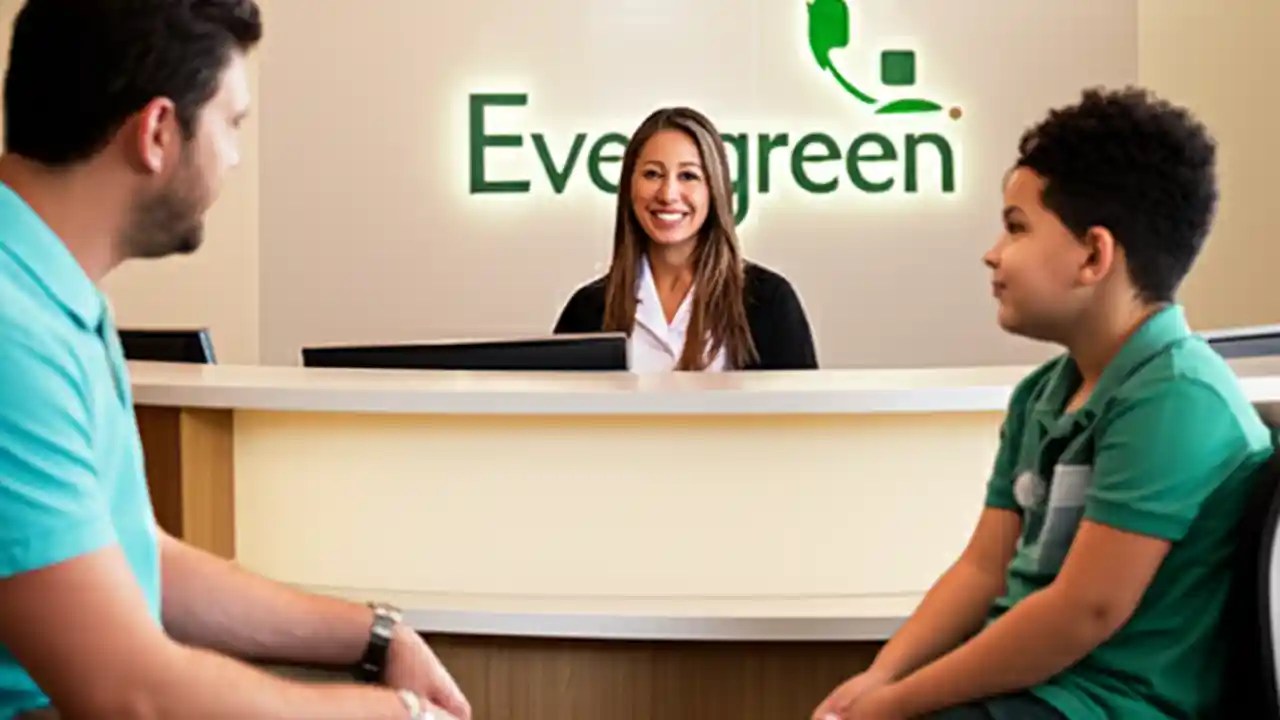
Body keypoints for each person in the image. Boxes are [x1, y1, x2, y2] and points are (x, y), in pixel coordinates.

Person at [0, 2, 469, 718]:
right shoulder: (15, 338)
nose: (236, 157)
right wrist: (404, 715)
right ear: (158, 133)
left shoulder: (51, 295)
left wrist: (374, 636)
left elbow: (138, 559)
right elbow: (129, 693)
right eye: (232, 123)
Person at [812, 87, 1273, 720]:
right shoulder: (1041, 395)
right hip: (1030, 694)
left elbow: (1080, 613)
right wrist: (881, 677)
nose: (992, 252)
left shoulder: (1177, 399)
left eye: (1016, 227)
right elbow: (983, 570)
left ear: (1093, 255)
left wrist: (896, 706)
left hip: (1105, 706)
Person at [553, 106, 818, 371]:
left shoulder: (769, 301)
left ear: (714, 189)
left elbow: (802, 399)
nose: (668, 194)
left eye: (688, 176)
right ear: (629, 186)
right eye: (652, 174)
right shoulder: (587, 309)